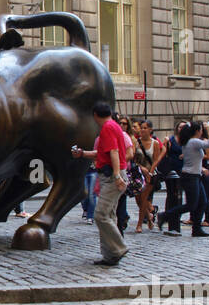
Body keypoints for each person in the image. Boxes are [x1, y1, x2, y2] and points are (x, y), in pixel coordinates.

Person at [71, 102, 128, 265]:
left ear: (95, 115)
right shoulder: (114, 126)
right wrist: (82, 153)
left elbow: (114, 152)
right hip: (110, 175)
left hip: (111, 176)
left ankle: (118, 248)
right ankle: (110, 255)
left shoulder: (108, 128)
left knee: (100, 215)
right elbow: (101, 153)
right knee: (108, 215)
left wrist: (117, 176)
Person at [159, 121, 209, 237]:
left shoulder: (189, 142)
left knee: (202, 202)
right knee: (191, 205)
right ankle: (165, 215)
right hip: (190, 177)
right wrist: (208, 131)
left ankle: (197, 228)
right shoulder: (193, 141)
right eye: (201, 130)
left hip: (195, 175)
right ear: (198, 131)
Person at [133, 120, 165, 232]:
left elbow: (156, 160)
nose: (142, 130)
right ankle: (150, 219)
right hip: (138, 173)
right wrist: (141, 168)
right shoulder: (136, 142)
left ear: (150, 130)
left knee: (143, 198)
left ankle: (139, 224)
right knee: (139, 200)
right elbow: (134, 159)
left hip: (150, 174)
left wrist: (150, 173)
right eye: (141, 128)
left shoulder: (154, 143)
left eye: (145, 128)